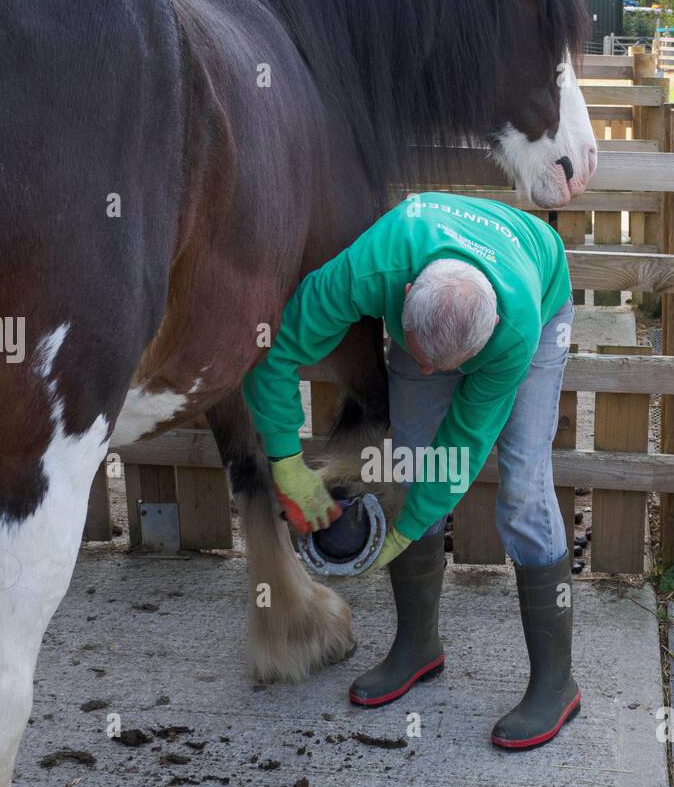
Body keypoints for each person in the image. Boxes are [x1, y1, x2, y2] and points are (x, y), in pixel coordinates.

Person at [243, 192, 580, 750]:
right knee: (411, 464)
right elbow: (274, 354)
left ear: (489, 332)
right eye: (419, 356)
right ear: (401, 297)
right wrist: (286, 465)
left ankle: (555, 683)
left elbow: (463, 448)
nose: (424, 372)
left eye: (441, 368)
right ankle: (417, 645)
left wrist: (397, 534)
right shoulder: (373, 266)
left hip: (539, 291)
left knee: (523, 487)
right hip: (434, 276)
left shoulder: (515, 328)